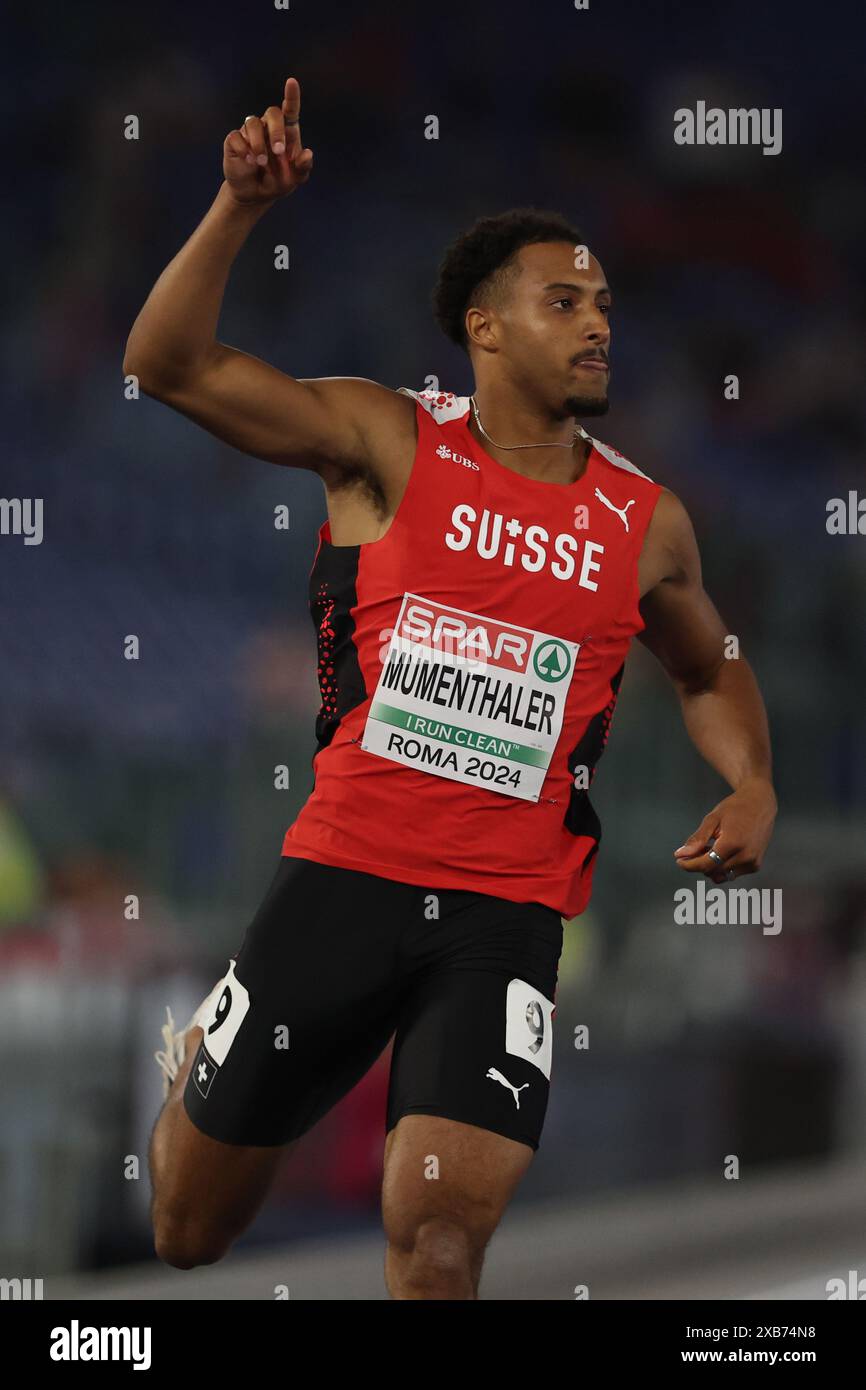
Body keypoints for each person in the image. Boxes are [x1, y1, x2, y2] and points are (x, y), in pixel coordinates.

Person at [127, 77, 778, 1299]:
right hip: (341, 878)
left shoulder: (644, 525)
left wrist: (750, 780)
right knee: (184, 1227)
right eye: (562, 302)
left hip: (504, 917)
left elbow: (711, 665)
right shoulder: (385, 442)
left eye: (602, 304)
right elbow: (166, 365)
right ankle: (199, 1070)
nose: (597, 325)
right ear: (484, 328)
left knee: (436, 1246)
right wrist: (233, 209)